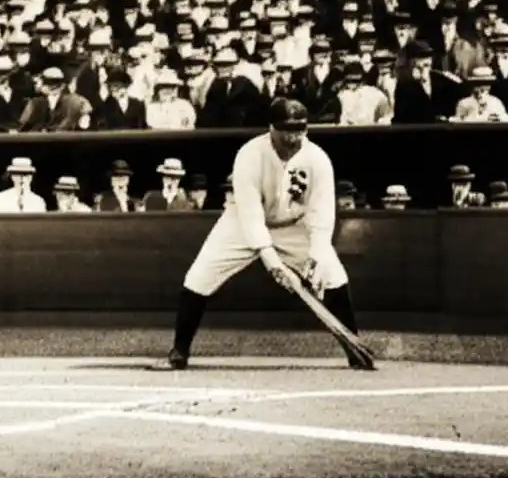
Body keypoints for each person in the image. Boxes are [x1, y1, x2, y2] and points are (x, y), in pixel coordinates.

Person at [153, 98, 375, 371]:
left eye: (300, 130)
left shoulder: (317, 159)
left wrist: (316, 256)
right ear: (271, 128)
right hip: (243, 223)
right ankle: (179, 352)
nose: (293, 137)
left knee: (333, 275)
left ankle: (354, 348)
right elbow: (250, 214)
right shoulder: (249, 154)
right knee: (198, 276)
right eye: (287, 131)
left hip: (296, 226)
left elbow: (323, 213)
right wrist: (271, 261)